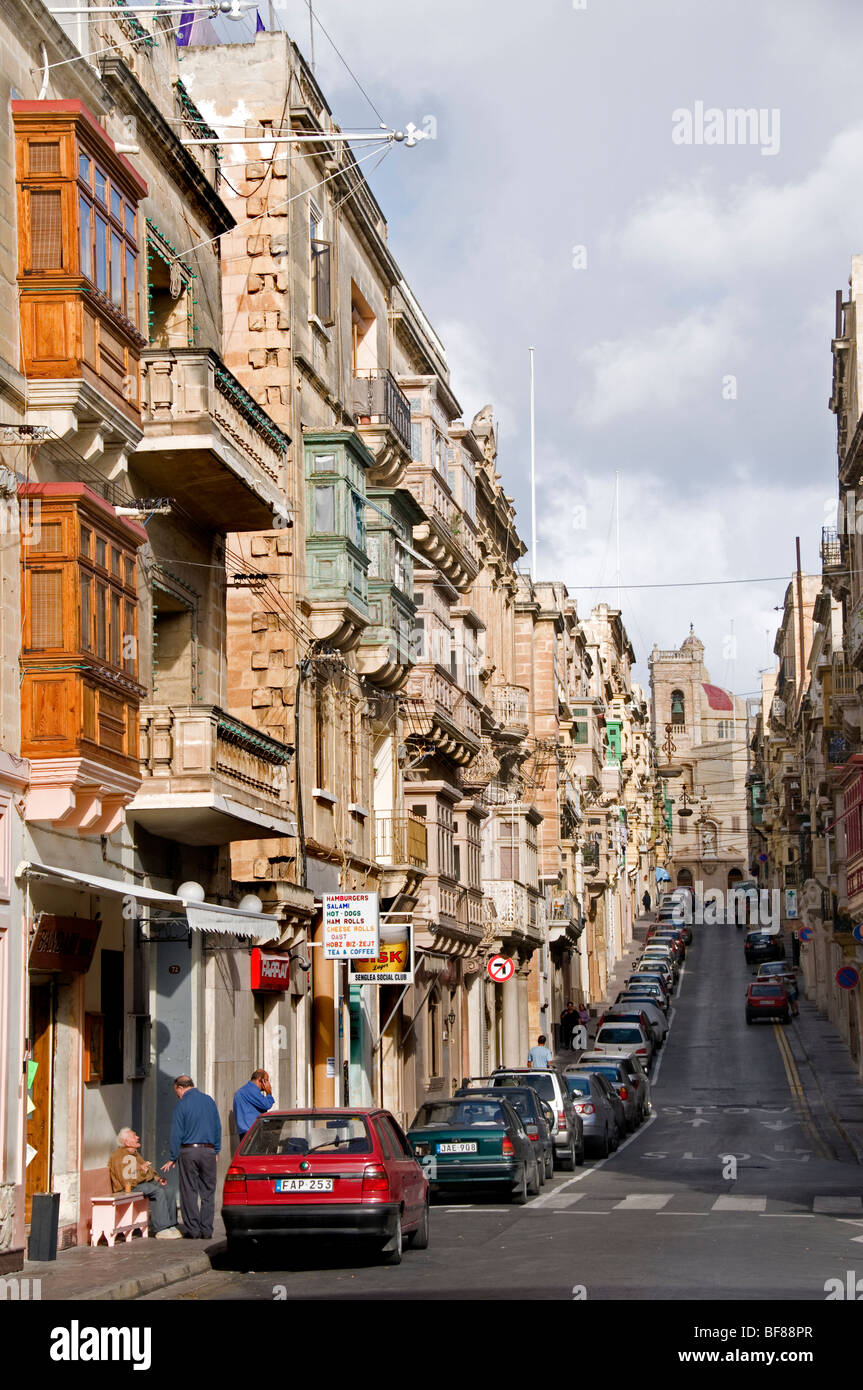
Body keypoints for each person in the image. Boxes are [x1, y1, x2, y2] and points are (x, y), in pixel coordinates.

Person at [161, 1075, 221, 1240]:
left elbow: (177, 1133)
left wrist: (173, 1157)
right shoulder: (209, 1101)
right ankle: (207, 1230)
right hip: (208, 1151)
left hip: (189, 1151)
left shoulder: (182, 1104)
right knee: (208, 1192)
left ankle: (194, 1230)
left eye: (177, 1092)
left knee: (189, 1191)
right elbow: (217, 1126)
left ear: (180, 1088)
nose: (178, 1095)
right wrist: (216, 1150)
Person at [109, 1128, 181, 1239]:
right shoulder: (122, 1157)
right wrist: (142, 1172)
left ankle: (171, 1224)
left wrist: (157, 1179)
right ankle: (161, 1228)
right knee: (158, 1192)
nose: (137, 1137)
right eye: (134, 1136)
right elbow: (128, 1181)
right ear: (127, 1142)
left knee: (169, 1189)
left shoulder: (134, 1154)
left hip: (141, 1183)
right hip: (130, 1187)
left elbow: (148, 1171)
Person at [232, 1068, 275, 1146]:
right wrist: (269, 1093)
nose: (268, 1083)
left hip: (245, 1132)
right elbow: (266, 1105)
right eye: (266, 1080)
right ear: (261, 1080)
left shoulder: (243, 1091)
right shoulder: (252, 1090)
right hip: (251, 1133)